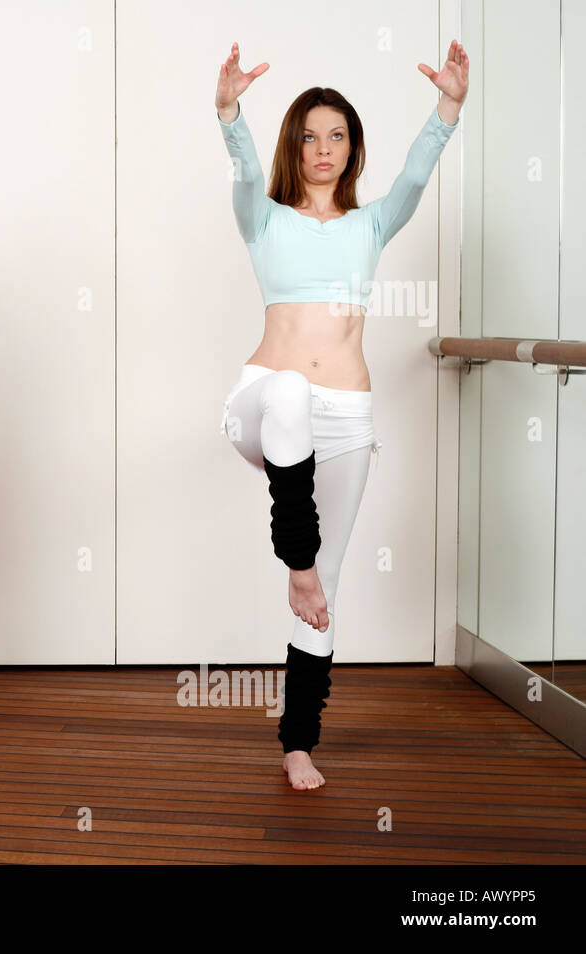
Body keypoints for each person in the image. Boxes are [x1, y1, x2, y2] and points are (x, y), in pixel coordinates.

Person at [215, 41, 467, 790]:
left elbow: (418, 173)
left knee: (325, 593)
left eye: (337, 136)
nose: (322, 149)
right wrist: (230, 113)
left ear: (352, 148)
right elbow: (246, 172)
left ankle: (298, 743)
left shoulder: (372, 224)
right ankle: (297, 560)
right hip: (263, 403)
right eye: (309, 135)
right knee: (290, 391)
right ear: (295, 144)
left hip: (347, 418)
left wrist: (448, 104)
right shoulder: (261, 218)